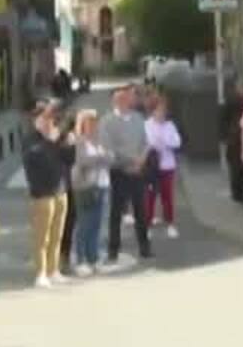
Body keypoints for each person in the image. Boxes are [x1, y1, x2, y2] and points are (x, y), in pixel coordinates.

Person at [103, 86, 153, 263]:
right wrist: (131, 162)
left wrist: (142, 160)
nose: (125, 101)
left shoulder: (138, 118)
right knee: (116, 212)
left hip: (138, 171)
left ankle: (144, 246)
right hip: (119, 172)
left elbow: (146, 142)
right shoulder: (107, 122)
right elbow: (109, 149)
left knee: (141, 210)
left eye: (126, 98)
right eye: (120, 99)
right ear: (115, 102)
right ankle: (113, 249)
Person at [24, 102, 72, 287]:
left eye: (51, 118)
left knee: (57, 234)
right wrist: (49, 141)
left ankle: (54, 270)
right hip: (42, 193)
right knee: (41, 236)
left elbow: (69, 160)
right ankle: (41, 272)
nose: (49, 121)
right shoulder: (31, 139)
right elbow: (34, 158)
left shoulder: (57, 136)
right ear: (36, 120)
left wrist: (67, 143)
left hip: (60, 189)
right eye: (45, 117)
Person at [70, 109, 114, 275]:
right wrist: (101, 159)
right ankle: (80, 259)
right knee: (84, 224)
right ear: (83, 125)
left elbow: (111, 157)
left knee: (97, 224)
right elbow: (83, 161)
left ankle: (93, 258)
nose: (93, 127)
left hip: (102, 184)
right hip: (84, 186)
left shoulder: (101, 141)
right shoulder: (79, 141)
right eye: (89, 123)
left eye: (95, 123)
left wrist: (102, 159)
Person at [144, 90, 183, 239]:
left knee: (167, 196)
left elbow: (177, 142)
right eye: (159, 110)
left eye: (164, 110)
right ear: (152, 111)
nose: (162, 113)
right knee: (150, 196)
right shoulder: (146, 125)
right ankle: (147, 225)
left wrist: (166, 142)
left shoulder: (170, 125)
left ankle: (170, 223)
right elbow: (144, 143)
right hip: (152, 167)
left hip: (167, 165)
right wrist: (153, 145)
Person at [222, 77, 243, 204]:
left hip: (239, 138)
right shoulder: (232, 101)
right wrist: (224, 135)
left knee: (241, 168)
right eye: (242, 88)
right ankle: (237, 192)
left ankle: (239, 192)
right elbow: (223, 118)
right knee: (237, 168)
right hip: (236, 138)